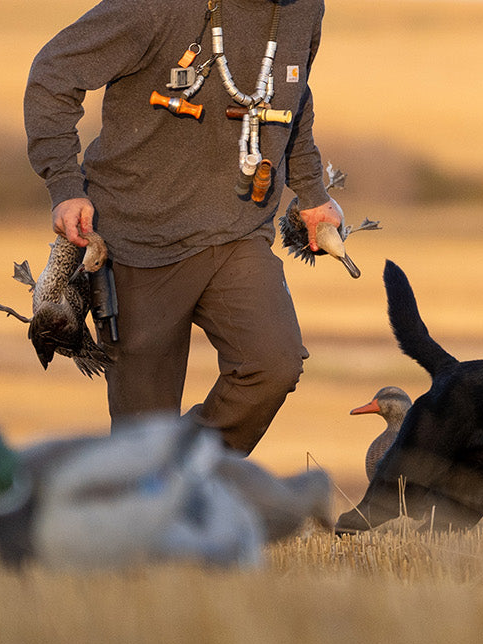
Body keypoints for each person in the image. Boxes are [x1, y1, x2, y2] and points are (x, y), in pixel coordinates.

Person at [24, 0, 340, 455]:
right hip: (138, 237)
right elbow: (53, 73)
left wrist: (312, 193)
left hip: (238, 230)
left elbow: (292, 95)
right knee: (143, 439)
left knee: (273, 363)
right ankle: (155, 488)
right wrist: (64, 184)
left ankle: (190, 468)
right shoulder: (157, 6)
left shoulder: (303, 7)